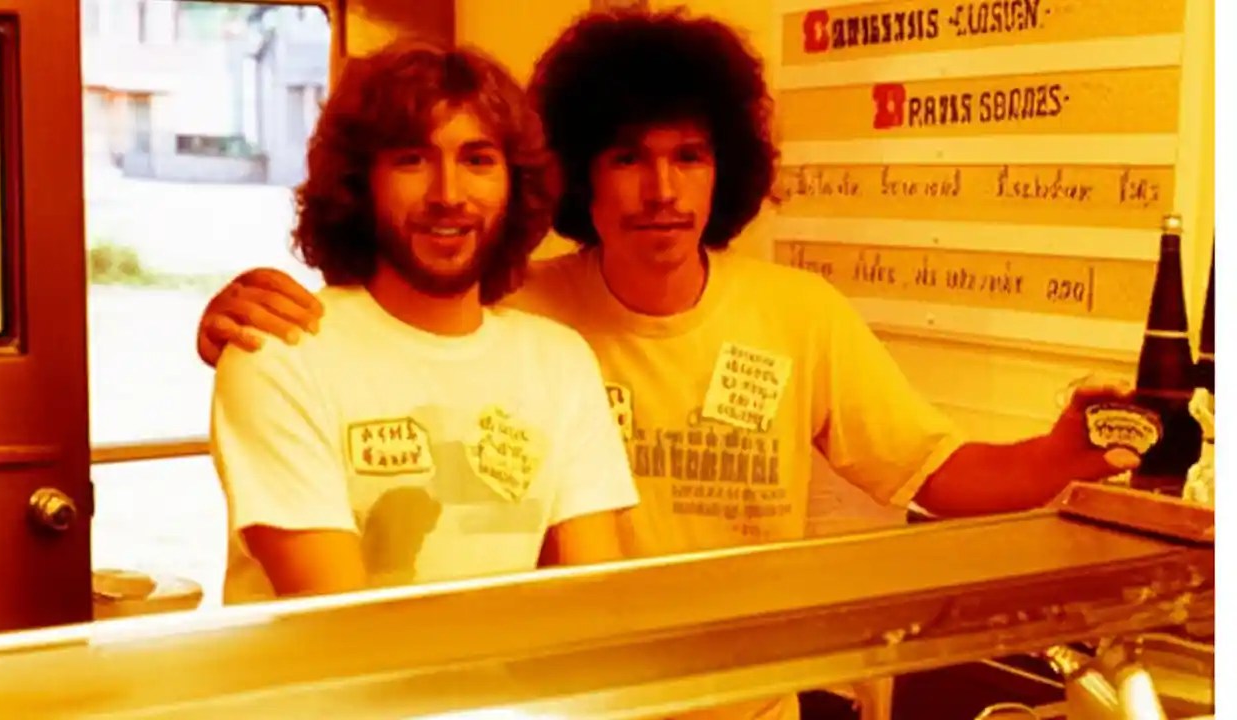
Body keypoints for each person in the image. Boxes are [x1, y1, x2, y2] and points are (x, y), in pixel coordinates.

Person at [196, 8, 1140, 716]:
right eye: (625, 158)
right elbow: (398, 325)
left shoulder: (787, 314)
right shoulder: (523, 310)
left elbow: (934, 469)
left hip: (739, 704)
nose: (660, 190)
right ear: (574, 174)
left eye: (689, 156)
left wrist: (1065, 454)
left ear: (726, 165)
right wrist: (232, 317)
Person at [210, 39, 639, 606]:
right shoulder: (280, 353)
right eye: (411, 159)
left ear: (514, 184)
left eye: (478, 160)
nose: (448, 195)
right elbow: (341, 630)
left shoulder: (559, 361)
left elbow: (588, 603)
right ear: (360, 182)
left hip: (509, 695)